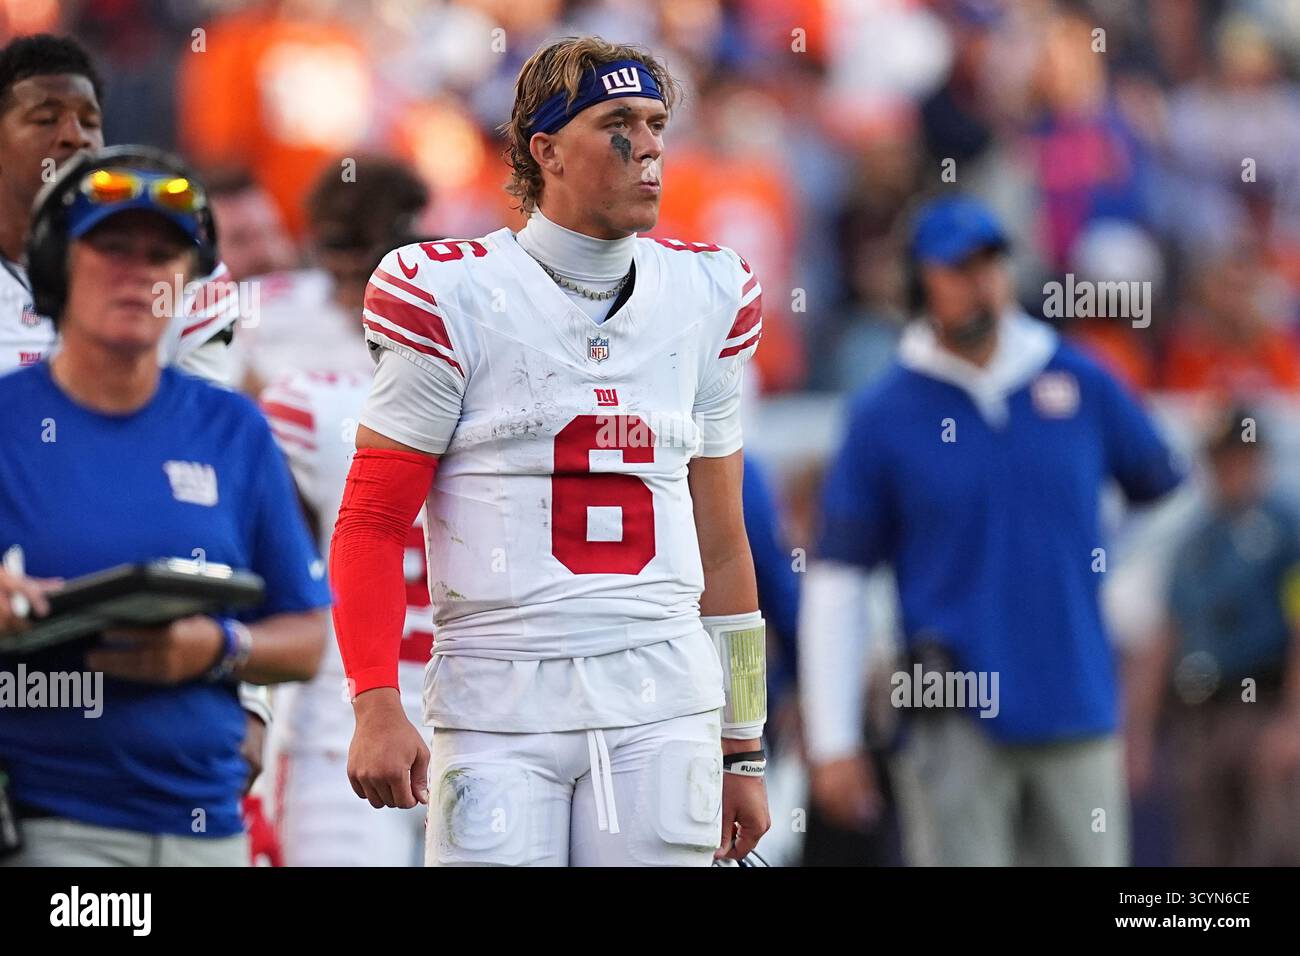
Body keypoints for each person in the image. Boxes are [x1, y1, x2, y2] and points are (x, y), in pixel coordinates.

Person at [330, 36, 771, 866]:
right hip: (498, 702)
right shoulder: (446, 291)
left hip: (662, 701)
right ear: (545, 150)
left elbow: (723, 540)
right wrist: (375, 700)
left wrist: (742, 742)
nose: (649, 146)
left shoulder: (709, 292)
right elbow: (372, 522)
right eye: (618, 124)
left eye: (656, 123)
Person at [800, 194, 1184, 866]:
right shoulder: (886, 414)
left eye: (991, 263)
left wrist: (1116, 577)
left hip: (1077, 699)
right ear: (923, 283)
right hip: (953, 716)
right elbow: (837, 580)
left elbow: (1165, 492)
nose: (979, 282)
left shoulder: (1080, 380)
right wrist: (834, 740)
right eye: (958, 268)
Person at [0, 147, 329, 866]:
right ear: (58, 265)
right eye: (111, 248)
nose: (139, 272)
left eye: (161, 254)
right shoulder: (7, 421)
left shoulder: (232, 427)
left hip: (207, 824)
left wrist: (218, 649)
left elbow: (305, 635)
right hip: (49, 823)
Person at [0, 33, 243, 382]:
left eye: (89, 122)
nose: (75, 136)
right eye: (45, 119)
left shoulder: (181, 267)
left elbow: (208, 425)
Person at [1128, 405, 1300, 865]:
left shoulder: (1287, 529)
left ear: (1260, 459)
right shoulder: (1192, 541)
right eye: (1221, 459)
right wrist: (1140, 735)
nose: (1230, 470)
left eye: (1240, 457)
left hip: (1263, 708)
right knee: (1203, 851)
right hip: (1198, 718)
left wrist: (1293, 719)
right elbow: (1162, 636)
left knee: (1275, 844)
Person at [232, 155, 429, 396]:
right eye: (337, 244)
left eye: (366, 245)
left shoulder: (431, 326)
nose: (351, 263)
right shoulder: (262, 301)